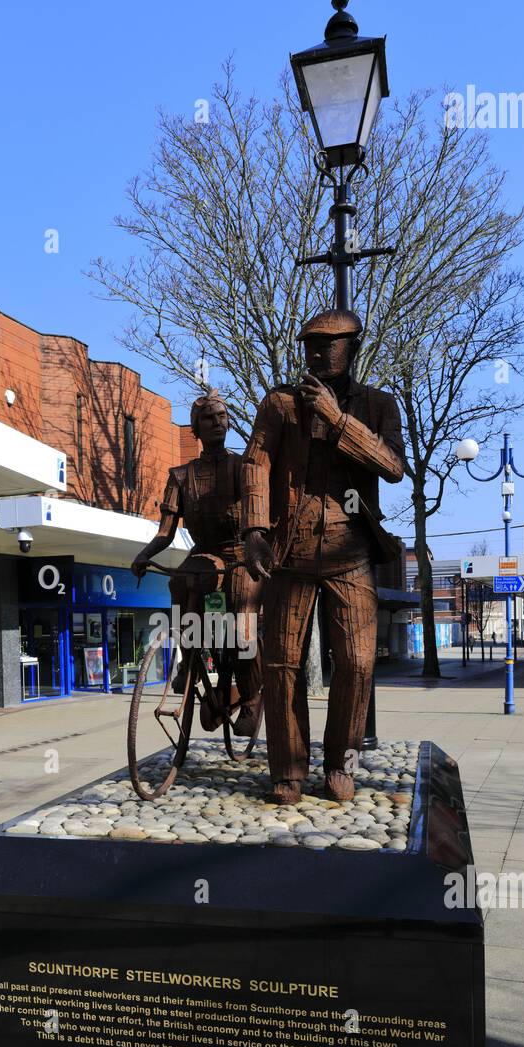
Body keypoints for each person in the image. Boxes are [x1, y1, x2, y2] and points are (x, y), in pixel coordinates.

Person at [241, 309, 406, 805]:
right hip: (289, 556)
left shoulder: (377, 404)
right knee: (282, 665)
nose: (317, 351)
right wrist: (253, 529)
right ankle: (288, 770)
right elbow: (256, 461)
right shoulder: (279, 404)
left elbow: (392, 466)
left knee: (356, 663)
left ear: (352, 346)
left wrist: (338, 421)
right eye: (310, 343)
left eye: (329, 343)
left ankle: (341, 764)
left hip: (350, 554)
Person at [131, 389, 263, 736]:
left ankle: (251, 696)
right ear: (196, 429)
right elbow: (166, 532)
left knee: (243, 626)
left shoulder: (242, 467)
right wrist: (144, 555)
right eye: (209, 418)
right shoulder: (181, 476)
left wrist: (258, 549)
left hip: (239, 553)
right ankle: (188, 659)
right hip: (204, 550)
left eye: (222, 416)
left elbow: (258, 515)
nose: (217, 423)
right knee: (181, 581)